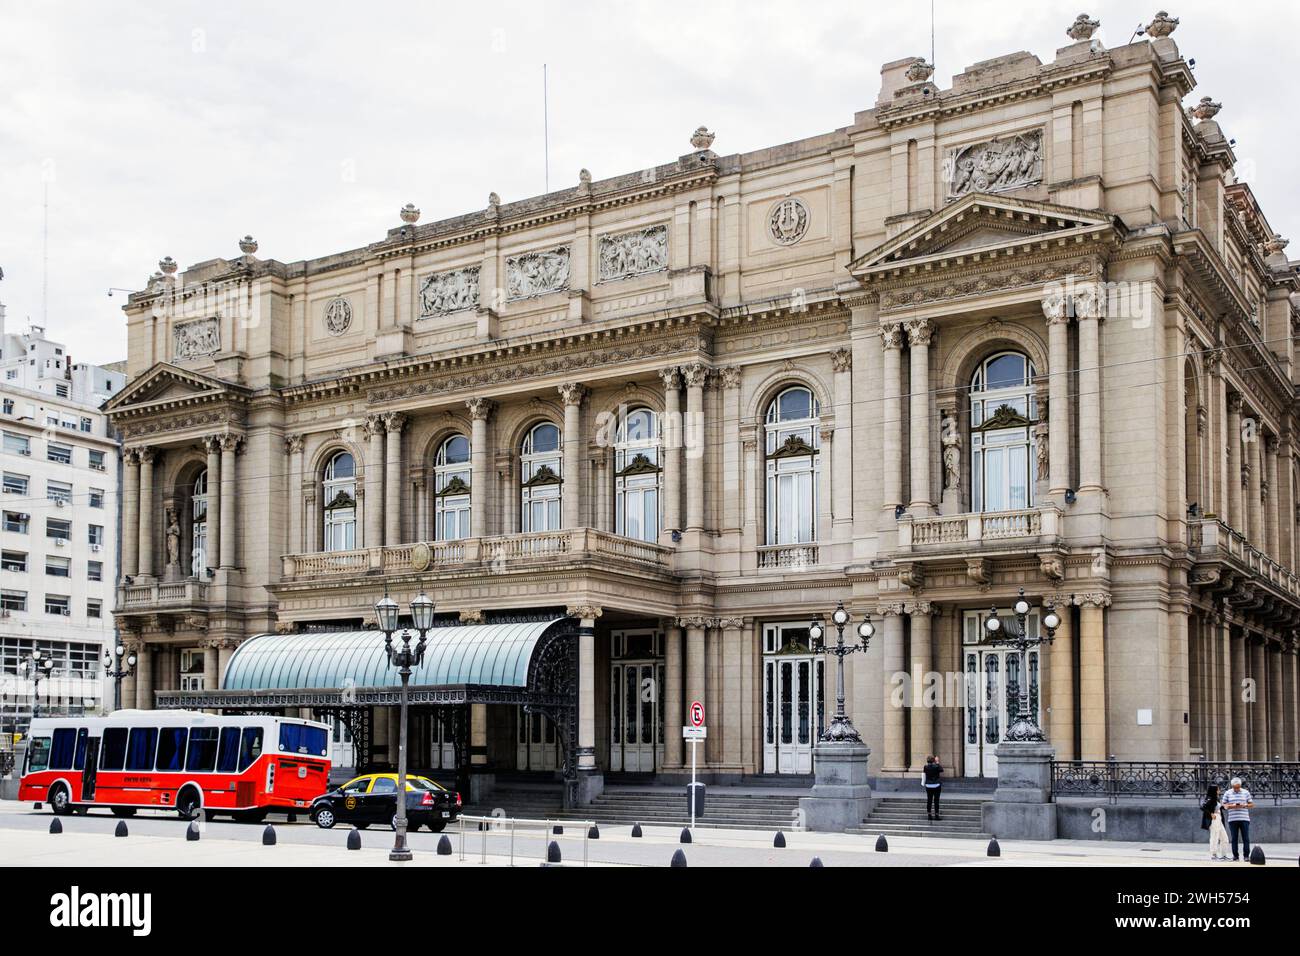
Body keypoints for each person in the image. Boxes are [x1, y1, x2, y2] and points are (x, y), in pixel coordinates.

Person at [1221, 777, 1254, 861]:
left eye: (1238, 787)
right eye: (1235, 787)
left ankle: (1246, 856)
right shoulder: (1228, 793)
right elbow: (1223, 805)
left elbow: (1251, 804)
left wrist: (1245, 805)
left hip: (1244, 818)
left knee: (1245, 838)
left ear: (1240, 785)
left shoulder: (1246, 792)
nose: (1237, 789)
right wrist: (1232, 806)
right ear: (1232, 786)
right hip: (1233, 819)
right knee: (1234, 838)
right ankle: (1235, 856)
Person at [1201, 785, 1229, 861]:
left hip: (1219, 818)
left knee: (1224, 838)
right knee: (1214, 837)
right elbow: (1203, 807)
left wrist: (1224, 806)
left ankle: (1224, 855)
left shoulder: (1216, 798)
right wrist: (1211, 813)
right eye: (1217, 790)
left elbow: (1217, 807)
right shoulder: (1210, 798)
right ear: (1214, 791)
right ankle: (1214, 855)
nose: (1219, 791)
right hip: (1214, 819)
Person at [923, 754, 943, 821]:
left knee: (929, 800)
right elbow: (941, 770)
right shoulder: (936, 766)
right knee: (936, 800)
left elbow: (925, 773)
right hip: (936, 785)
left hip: (928, 785)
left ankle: (929, 815)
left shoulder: (925, 767)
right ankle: (936, 815)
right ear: (934, 760)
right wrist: (937, 762)